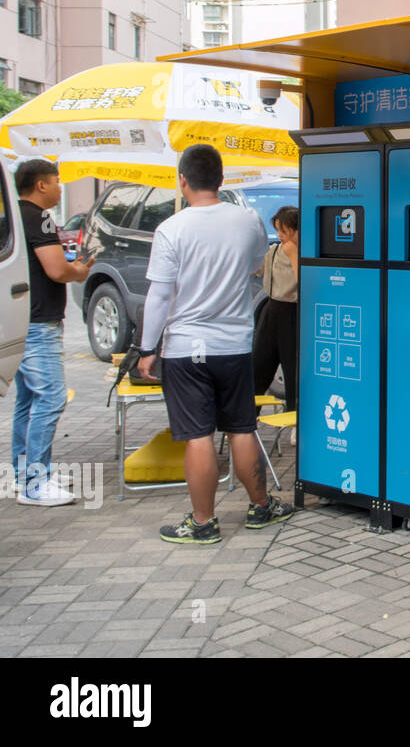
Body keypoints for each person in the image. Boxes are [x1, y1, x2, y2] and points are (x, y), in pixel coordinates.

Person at [138, 145, 295, 544]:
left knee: (198, 436)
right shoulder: (246, 220)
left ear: (183, 181)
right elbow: (254, 261)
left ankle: (204, 522)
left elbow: (159, 297)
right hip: (234, 344)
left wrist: (145, 349)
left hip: (185, 348)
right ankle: (261, 506)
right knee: (242, 427)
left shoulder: (171, 229)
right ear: (222, 180)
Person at [11, 159, 93, 506]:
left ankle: (23, 473)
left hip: (20, 319)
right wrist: (79, 271)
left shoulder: (14, 218)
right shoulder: (40, 217)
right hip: (39, 323)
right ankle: (35, 482)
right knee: (51, 397)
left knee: (28, 400)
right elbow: (57, 270)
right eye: (57, 181)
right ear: (41, 185)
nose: (61, 188)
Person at [252, 206, 299, 413]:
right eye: (278, 230)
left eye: (284, 230)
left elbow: (305, 283)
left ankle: (296, 421)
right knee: (258, 366)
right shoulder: (273, 251)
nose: (280, 236)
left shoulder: (304, 253)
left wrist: (294, 255)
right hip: (271, 311)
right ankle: (246, 419)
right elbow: (255, 269)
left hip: (294, 313)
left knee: (293, 372)